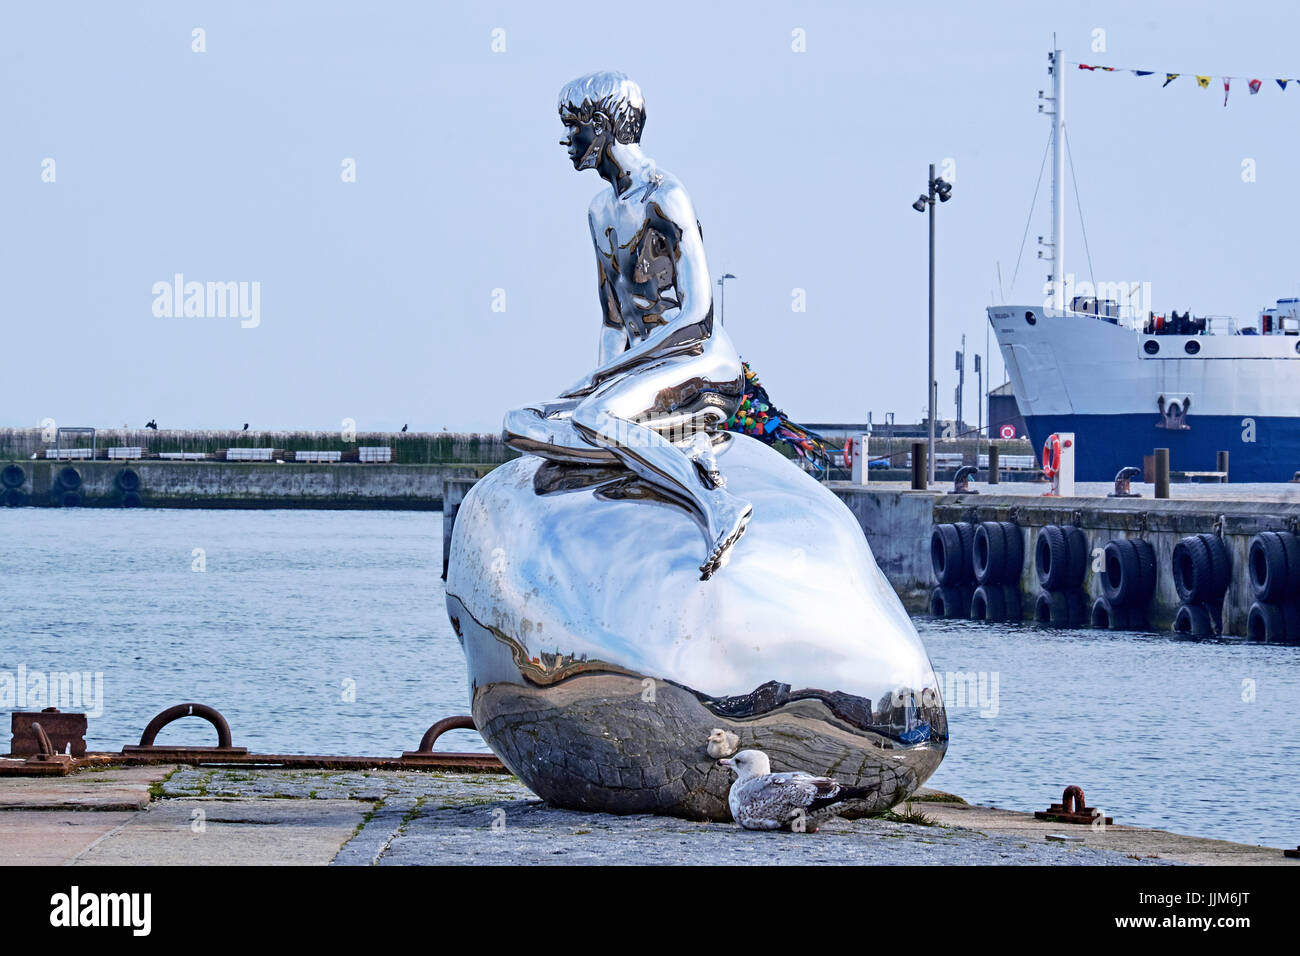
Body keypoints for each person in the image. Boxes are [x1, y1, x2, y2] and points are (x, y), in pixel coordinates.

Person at [504, 71, 751, 579]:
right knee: (520, 421)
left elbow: (698, 315)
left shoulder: (666, 196)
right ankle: (672, 442)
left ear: (601, 126)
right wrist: (606, 376)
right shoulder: (599, 212)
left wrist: (604, 385)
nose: (565, 141)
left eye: (572, 127)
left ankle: (715, 505)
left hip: (700, 361)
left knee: (594, 418)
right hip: (637, 373)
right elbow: (613, 322)